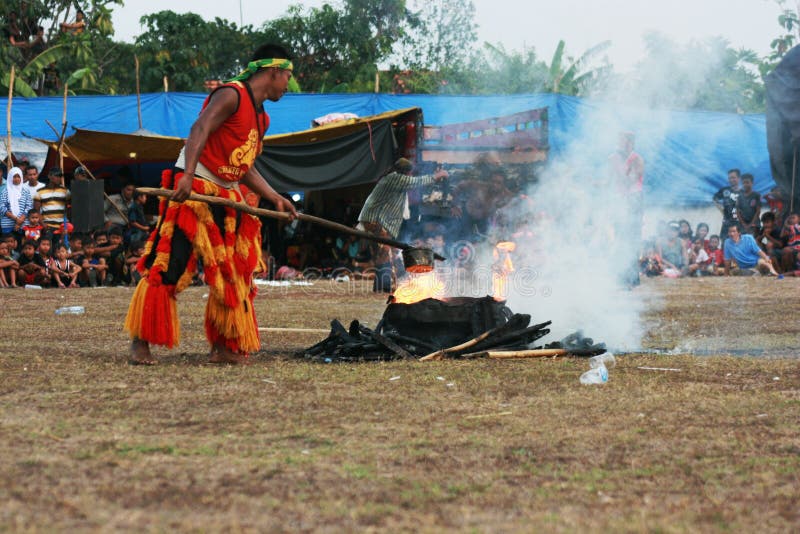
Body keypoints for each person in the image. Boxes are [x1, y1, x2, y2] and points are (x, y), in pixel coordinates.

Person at [125, 43, 297, 366]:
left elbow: (244, 166)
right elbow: (199, 128)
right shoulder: (231, 94)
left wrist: (274, 196)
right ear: (273, 71)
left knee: (233, 273)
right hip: (194, 185)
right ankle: (140, 342)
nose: (289, 83)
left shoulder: (263, 120)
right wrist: (187, 175)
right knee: (171, 262)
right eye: (287, 75)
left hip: (225, 193)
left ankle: (223, 346)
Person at [357, 158, 448, 292]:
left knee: (386, 253)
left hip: (379, 221)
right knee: (385, 252)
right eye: (410, 173)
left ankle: (381, 287)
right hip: (376, 220)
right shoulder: (395, 178)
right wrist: (437, 176)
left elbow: (416, 184)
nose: (411, 176)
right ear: (406, 172)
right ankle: (385, 287)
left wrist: (434, 178)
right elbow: (417, 182)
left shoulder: (394, 179)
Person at [34, 167, 71, 232]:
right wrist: (43, 224)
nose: (58, 178)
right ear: (49, 176)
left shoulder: (66, 191)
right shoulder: (39, 192)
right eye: (56, 176)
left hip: (62, 226)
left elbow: (69, 208)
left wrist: (67, 223)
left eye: (60, 176)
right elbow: (36, 211)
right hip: (47, 226)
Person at [1, 167, 33, 239]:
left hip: (23, 224)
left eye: (18, 176)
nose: (16, 179)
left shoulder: (26, 191)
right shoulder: (5, 191)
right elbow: (2, 207)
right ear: (10, 178)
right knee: (7, 246)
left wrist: (20, 221)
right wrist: (16, 219)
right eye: (14, 177)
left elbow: (29, 207)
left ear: (21, 177)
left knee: (22, 247)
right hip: (7, 225)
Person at [712, 169, 741, 243]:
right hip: (726, 225)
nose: (731, 180)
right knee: (725, 246)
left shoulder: (744, 192)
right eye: (730, 178)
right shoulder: (725, 190)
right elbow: (714, 199)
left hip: (740, 225)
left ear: (739, 178)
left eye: (733, 177)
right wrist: (722, 210)